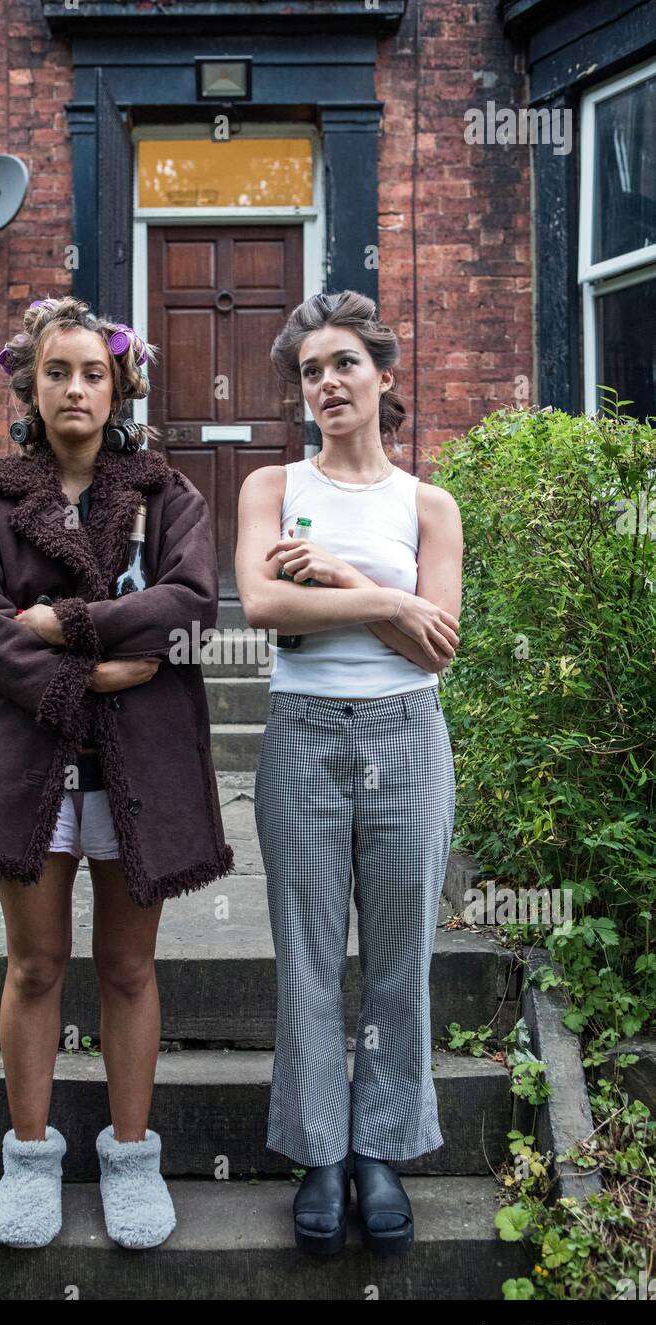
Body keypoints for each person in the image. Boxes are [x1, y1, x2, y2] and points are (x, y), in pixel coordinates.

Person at [0, 296, 234, 1251]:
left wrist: (63, 623)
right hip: (30, 758)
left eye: (93, 372)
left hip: (138, 765)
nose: (75, 387)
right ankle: (28, 1158)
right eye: (57, 371)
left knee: (127, 965)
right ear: (30, 384)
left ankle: (131, 1155)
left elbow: (191, 604)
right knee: (33, 966)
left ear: (120, 386)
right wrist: (92, 673)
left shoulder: (168, 496)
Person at [235, 289, 462, 1256]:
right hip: (302, 741)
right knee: (312, 957)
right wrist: (380, 600)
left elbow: (434, 647)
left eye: (344, 364)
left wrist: (328, 577)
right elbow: (259, 607)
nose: (327, 382)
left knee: (400, 959)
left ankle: (383, 1148)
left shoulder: (429, 504)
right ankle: (321, 1151)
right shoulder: (270, 488)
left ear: (383, 376)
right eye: (311, 371)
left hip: (408, 737)